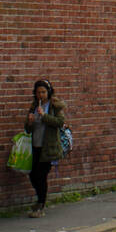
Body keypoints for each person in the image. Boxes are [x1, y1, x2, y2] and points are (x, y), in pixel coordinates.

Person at [24, 78, 66, 219]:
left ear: (48, 92)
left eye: (43, 92)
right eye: (38, 92)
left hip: (48, 147)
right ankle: (39, 199)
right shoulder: (35, 105)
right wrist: (29, 122)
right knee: (32, 174)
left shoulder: (54, 106)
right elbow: (28, 129)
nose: (40, 95)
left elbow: (60, 122)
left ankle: (40, 205)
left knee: (41, 176)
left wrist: (44, 116)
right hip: (35, 145)